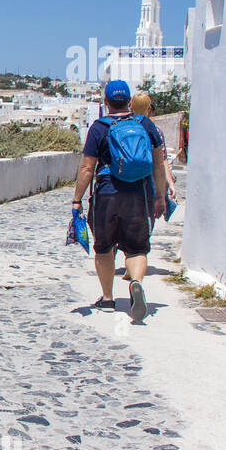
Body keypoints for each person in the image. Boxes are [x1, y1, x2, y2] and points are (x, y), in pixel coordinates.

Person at [71, 78, 167, 320]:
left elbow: (86, 168)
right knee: (136, 248)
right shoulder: (145, 124)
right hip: (139, 193)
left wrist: (76, 199)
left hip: (107, 194)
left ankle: (107, 299)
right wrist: (159, 196)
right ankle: (135, 282)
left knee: (104, 247)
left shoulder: (99, 128)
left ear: (105, 102)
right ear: (129, 102)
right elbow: (158, 164)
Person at [130, 92, 178, 230]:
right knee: (145, 229)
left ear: (131, 106)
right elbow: (161, 162)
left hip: (126, 183)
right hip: (148, 184)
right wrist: (166, 189)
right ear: (149, 108)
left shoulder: (122, 126)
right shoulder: (154, 130)